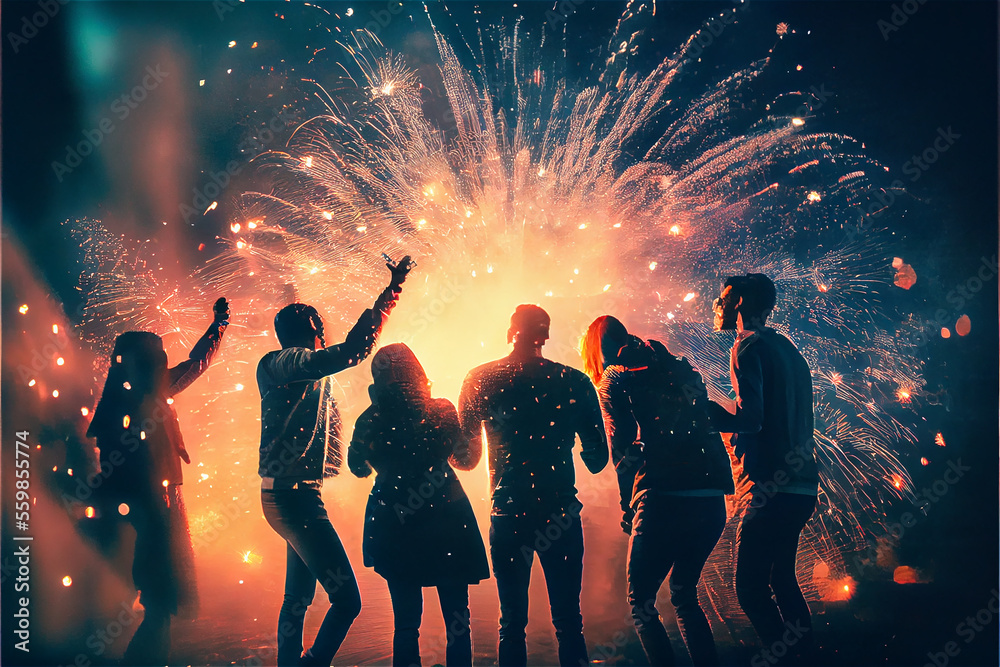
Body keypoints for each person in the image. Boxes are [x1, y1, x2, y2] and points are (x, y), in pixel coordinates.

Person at [257, 256, 414, 666]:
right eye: (319, 329)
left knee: (297, 598)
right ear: (311, 332)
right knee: (347, 600)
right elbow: (354, 351)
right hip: (294, 500)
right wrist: (390, 294)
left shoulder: (295, 367)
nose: (324, 334)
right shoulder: (285, 362)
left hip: (291, 495)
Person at [458, 304, 608, 667]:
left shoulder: (481, 378)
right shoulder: (574, 382)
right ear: (547, 335)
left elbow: (466, 459)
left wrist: (441, 428)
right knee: (569, 623)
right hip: (560, 511)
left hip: (509, 511)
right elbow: (597, 458)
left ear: (511, 333)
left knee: (511, 624)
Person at [581, 315, 733, 667]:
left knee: (641, 602)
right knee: (684, 594)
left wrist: (627, 504)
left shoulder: (615, 379)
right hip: (711, 498)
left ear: (595, 351)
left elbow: (623, 449)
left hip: (662, 498)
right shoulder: (674, 367)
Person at [87, 297, 230, 665]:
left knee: (157, 601)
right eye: (156, 357)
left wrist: (218, 326)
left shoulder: (123, 401)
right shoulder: (142, 398)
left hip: (149, 508)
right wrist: (218, 325)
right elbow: (195, 365)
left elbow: (195, 364)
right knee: (159, 601)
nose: (162, 362)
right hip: (153, 509)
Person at [348, 343, 489, 667]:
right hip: (447, 517)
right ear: (418, 373)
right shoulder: (441, 409)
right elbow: (465, 460)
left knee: (406, 623)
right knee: (458, 619)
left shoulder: (370, 419)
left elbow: (358, 468)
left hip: (395, 521)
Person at [706, 273, 819, 662]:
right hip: (802, 486)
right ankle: (806, 658)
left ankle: (784, 659)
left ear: (740, 302)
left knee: (750, 589)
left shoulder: (747, 346)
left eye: (725, 297)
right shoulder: (787, 348)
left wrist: (707, 413)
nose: (719, 304)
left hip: (769, 489)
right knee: (783, 581)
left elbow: (752, 419)